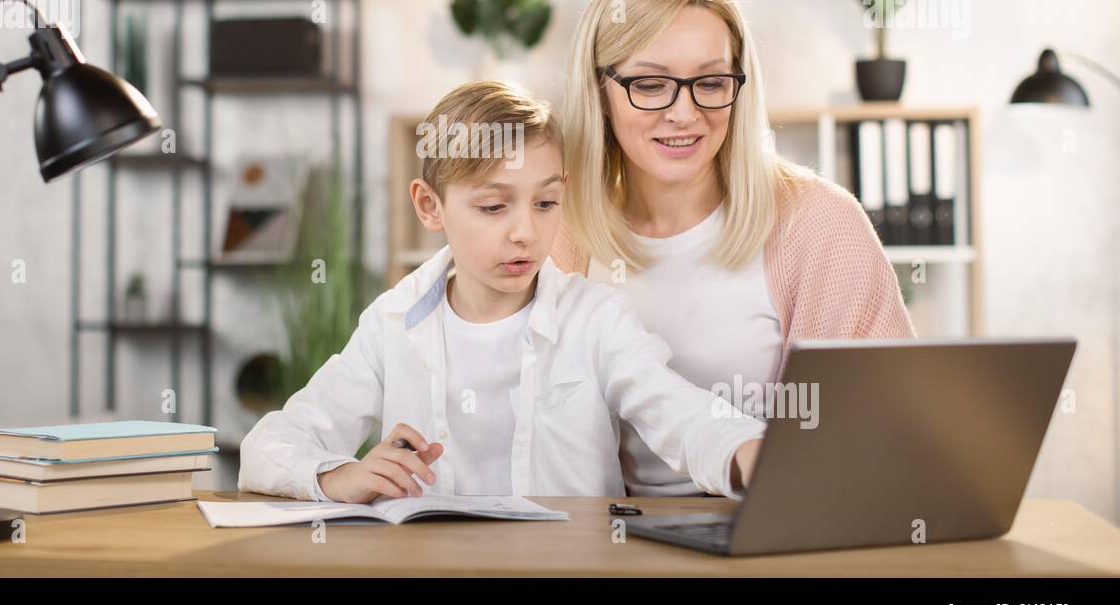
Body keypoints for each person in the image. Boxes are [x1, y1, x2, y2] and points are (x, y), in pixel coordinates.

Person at [239, 79, 765, 503]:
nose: (525, 232)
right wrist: (338, 476)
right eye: (493, 207)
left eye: (545, 203)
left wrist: (751, 451)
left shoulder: (595, 319)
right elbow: (268, 447)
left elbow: (681, 414)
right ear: (429, 206)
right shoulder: (392, 322)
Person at [551, 0, 914, 496]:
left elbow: (888, 427)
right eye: (650, 85)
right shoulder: (556, 223)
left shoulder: (819, 224)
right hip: (605, 545)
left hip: (770, 531)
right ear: (599, 92)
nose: (684, 113)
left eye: (712, 81)